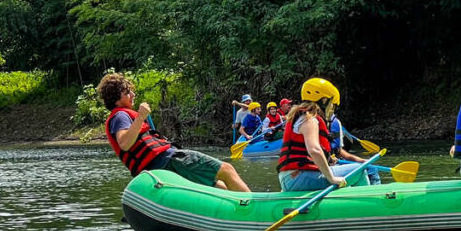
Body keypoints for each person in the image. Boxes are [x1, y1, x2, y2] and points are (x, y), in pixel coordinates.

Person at [97, 73, 249, 192]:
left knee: (218, 186)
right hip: (168, 160)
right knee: (226, 170)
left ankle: (237, 214)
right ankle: (255, 209)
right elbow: (124, 143)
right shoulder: (120, 116)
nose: (133, 95)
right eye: (127, 92)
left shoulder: (120, 116)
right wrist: (141, 116)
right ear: (116, 99)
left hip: (158, 168)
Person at [276, 78, 371, 191]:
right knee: (360, 170)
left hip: (290, 178)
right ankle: (372, 202)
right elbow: (314, 150)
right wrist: (331, 178)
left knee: (342, 171)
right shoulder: (309, 119)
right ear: (323, 100)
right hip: (299, 177)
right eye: (330, 104)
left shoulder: (298, 117)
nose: (331, 108)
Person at [330, 111, 381, 185]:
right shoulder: (314, 124)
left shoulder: (335, 122)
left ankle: (378, 190)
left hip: (335, 162)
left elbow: (339, 151)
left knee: (372, 168)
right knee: (364, 170)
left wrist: (359, 160)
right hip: (326, 167)